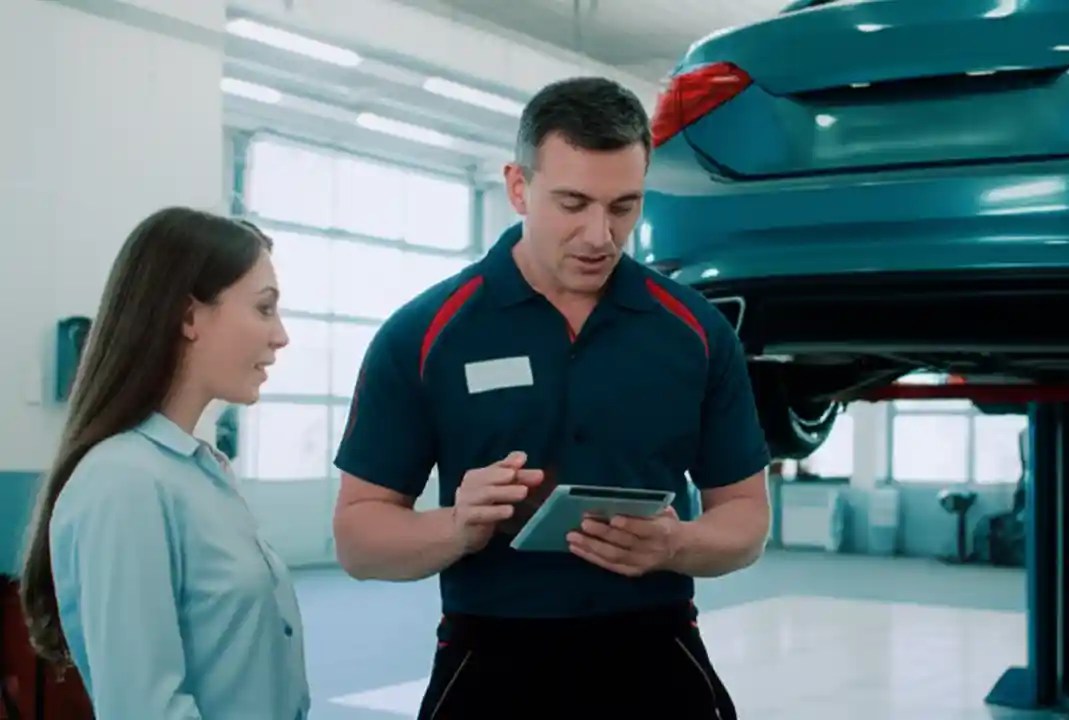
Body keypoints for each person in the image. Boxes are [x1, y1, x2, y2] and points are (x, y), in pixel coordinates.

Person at [333, 76, 772, 719]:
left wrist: (677, 545)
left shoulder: (697, 333)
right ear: (518, 187)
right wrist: (456, 526)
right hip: (492, 656)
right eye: (573, 203)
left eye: (624, 206)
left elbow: (746, 519)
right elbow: (358, 538)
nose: (600, 234)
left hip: (656, 650)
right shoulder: (424, 335)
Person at [17, 207, 308, 719]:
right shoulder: (123, 482)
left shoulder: (201, 469)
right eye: (264, 309)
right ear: (189, 316)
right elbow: (144, 709)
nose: (280, 335)